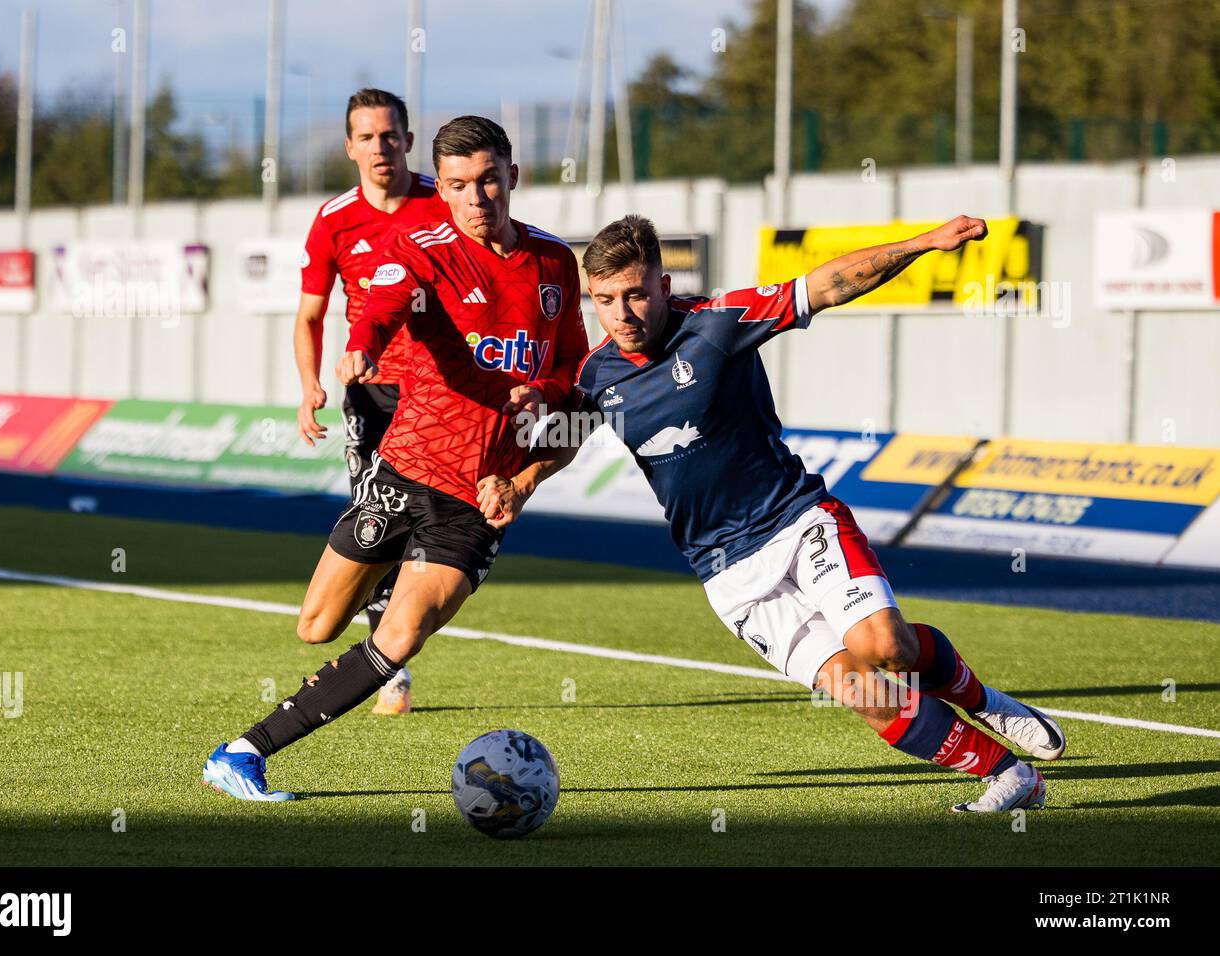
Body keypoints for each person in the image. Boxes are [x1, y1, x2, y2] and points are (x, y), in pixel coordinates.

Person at [479, 213, 1065, 813]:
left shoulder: (715, 324)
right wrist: (521, 482)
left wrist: (923, 244)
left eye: (634, 294)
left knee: (885, 647)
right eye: (604, 300)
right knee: (859, 689)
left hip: (794, 518)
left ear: (663, 286)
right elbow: (571, 434)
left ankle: (981, 698)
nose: (622, 314)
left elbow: (827, 285)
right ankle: (1010, 775)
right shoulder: (596, 375)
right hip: (723, 572)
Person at [202, 115, 589, 801]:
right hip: (404, 468)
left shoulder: (554, 262)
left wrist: (545, 402)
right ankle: (373, 602)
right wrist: (365, 345)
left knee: (402, 636)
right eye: (462, 186)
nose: (478, 199)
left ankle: (243, 753)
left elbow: (574, 368)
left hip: (479, 499)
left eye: (490, 181)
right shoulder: (423, 247)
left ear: (513, 178)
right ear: (440, 188)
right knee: (315, 626)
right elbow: (381, 303)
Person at [292, 88, 448, 716]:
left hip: (442, 397)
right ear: (349, 146)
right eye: (368, 137)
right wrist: (309, 387)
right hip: (373, 396)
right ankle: (390, 663)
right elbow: (308, 316)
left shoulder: (447, 202)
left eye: (391, 135)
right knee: (378, 522)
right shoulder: (335, 220)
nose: (381, 148)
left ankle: (393, 660)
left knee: (429, 528)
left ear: (409, 140)